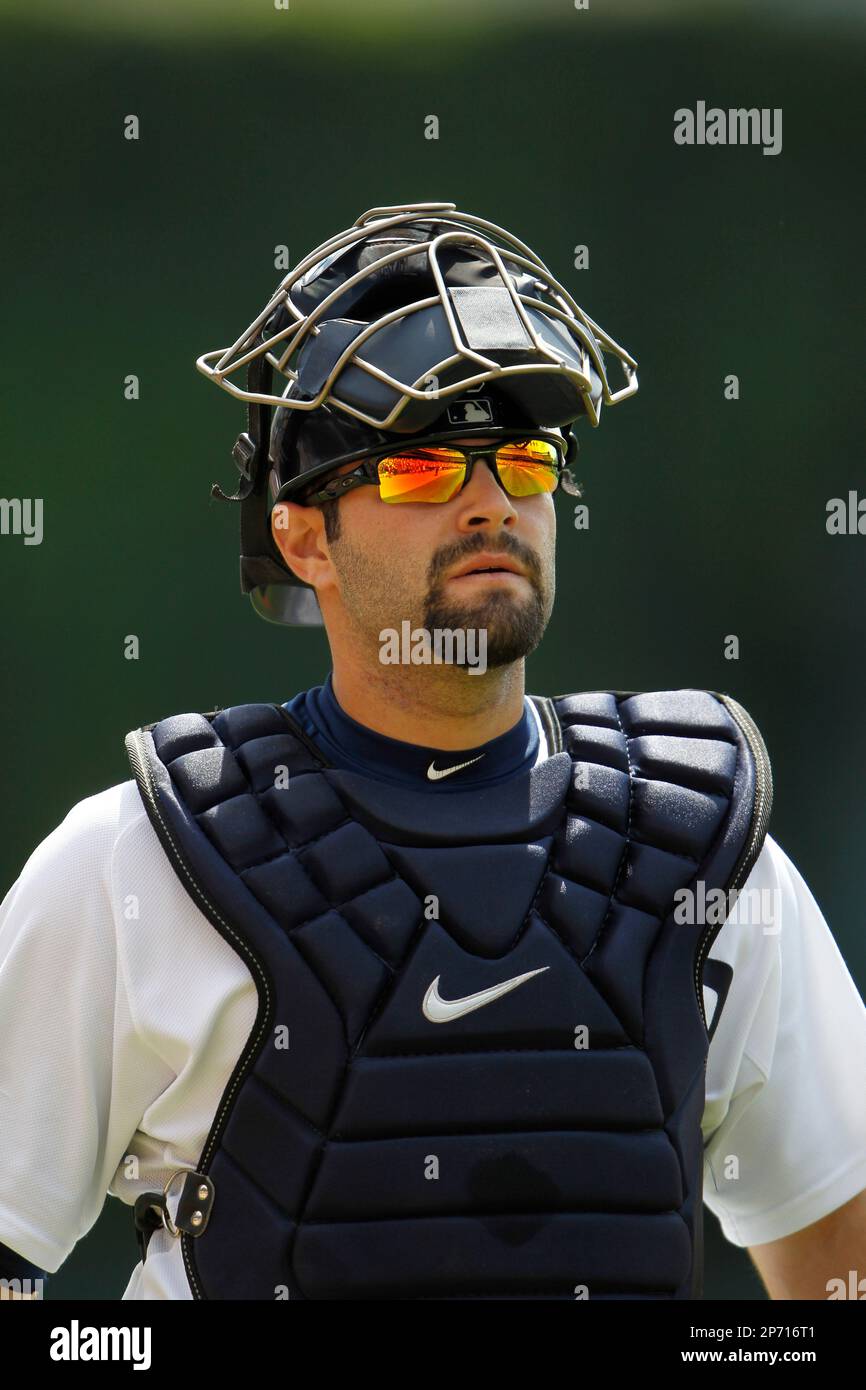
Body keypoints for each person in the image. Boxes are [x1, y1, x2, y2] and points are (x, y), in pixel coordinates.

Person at [1, 203, 864, 1301]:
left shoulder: (695, 846)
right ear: (303, 538)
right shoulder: (136, 862)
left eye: (524, 460)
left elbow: (838, 1265)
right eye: (420, 468)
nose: (490, 502)